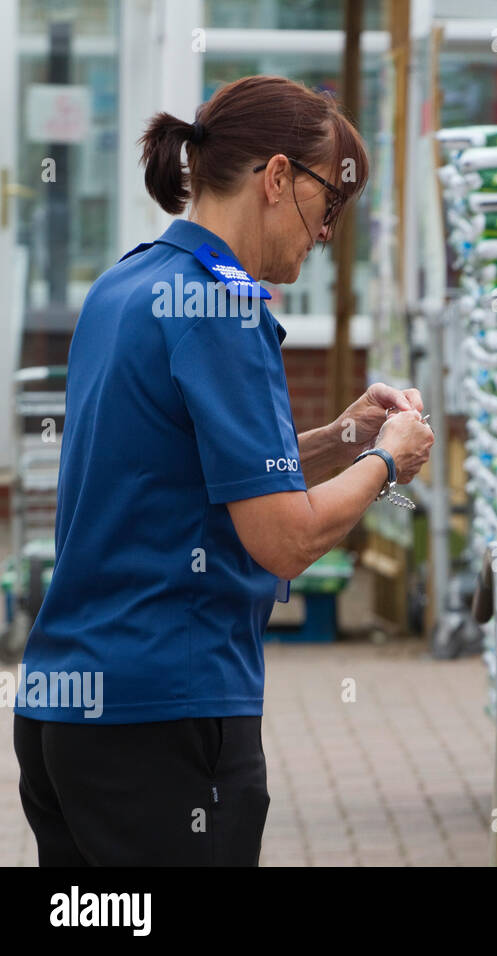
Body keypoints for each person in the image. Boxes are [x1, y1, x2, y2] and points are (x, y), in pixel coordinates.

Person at [12, 75, 435, 866]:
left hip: (65, 711)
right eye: (329, 205)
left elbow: (183, 465)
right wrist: (389, 462)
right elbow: (285, 538)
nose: (325, 234)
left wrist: (344, 435)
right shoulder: (227, 309)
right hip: (167, 710)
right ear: (277, 178)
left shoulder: (129, 283)